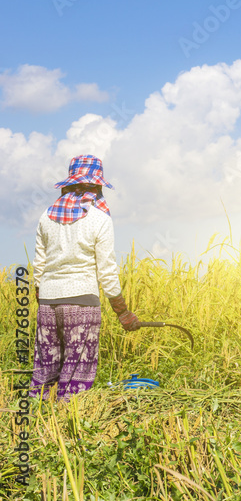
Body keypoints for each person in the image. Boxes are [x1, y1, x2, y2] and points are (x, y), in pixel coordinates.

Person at [31, 155, 139, 400]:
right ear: (97, 187)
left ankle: (41, 423)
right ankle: (70, 427)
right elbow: (107, 272)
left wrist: (44, 296)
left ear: (69, 185)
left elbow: (39, 266)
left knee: (47, 368)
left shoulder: (45, 216)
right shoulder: (99, 219)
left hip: (48, 303)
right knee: (76, 372)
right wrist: (122, 311)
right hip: (82, 303)